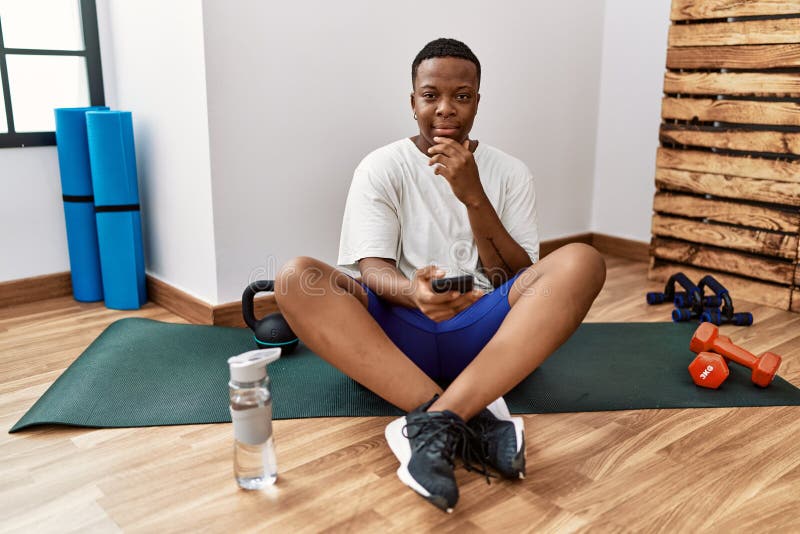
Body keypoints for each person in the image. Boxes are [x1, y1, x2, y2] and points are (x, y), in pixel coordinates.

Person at [274, 38, 606, 512]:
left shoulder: (510, 173)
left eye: (462, 96)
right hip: (397, 336)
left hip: (487, 334)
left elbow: (518, 277)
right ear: (413, 103)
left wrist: (473, 196)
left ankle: (435, 421)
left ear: (477, 101)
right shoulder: (382, 166)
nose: (446, 109)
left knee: (583, 260)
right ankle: (470, 418)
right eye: (431, 96)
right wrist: (414, 294)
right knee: (294, 276)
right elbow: (371, 269)